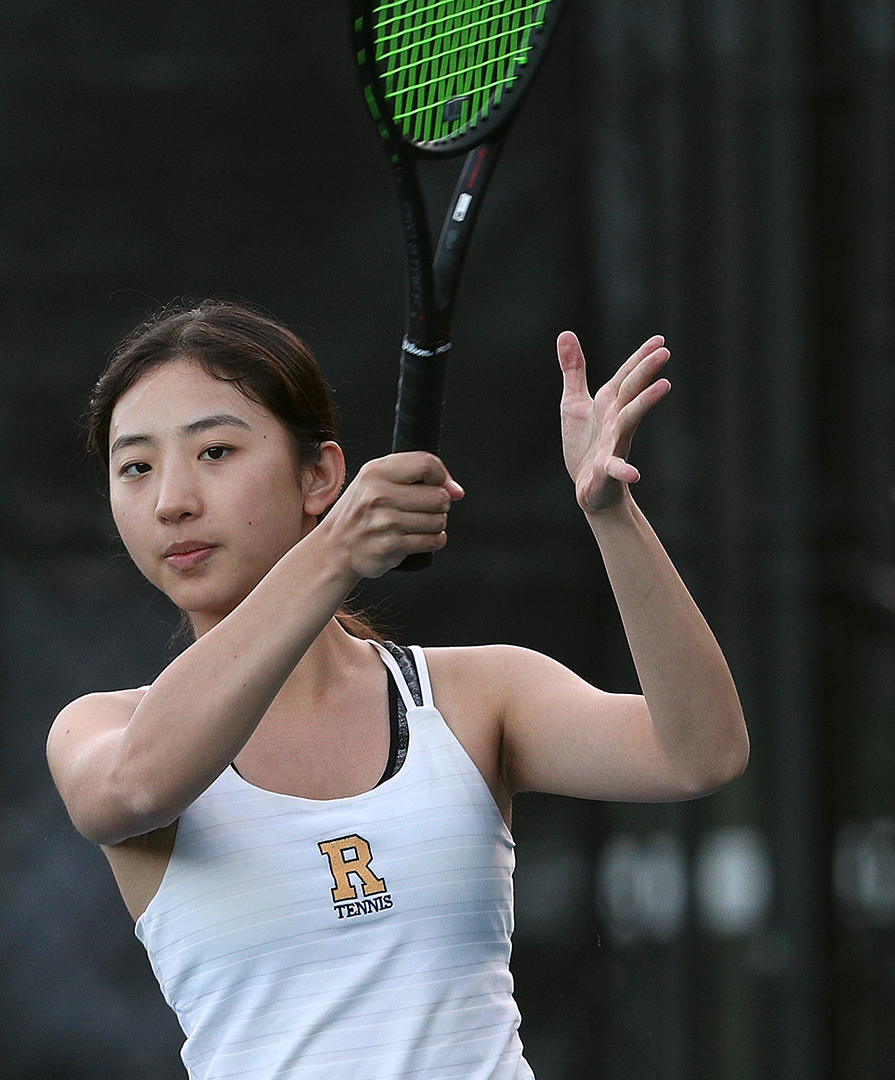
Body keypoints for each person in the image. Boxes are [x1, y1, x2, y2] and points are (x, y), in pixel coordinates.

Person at [47, 300, 746, 1080]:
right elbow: (137, 786)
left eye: (214, 451)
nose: (172, 498)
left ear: (319, 476)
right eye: (135, 466)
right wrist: (339, 548)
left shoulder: (477, 695)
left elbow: (701, 754)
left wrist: (612, 515)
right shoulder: (104, 732)